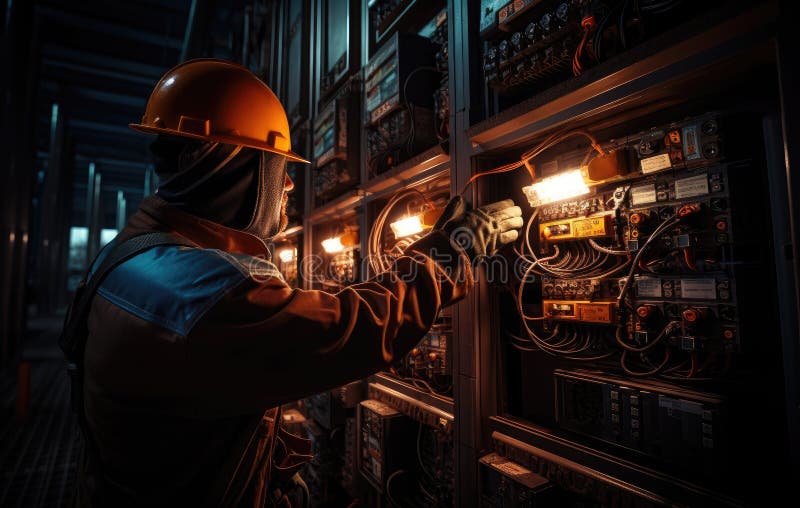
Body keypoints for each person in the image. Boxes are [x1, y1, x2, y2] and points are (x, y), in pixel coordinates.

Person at [68, 59, 523, 507]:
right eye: (274, 167)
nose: (288, 185)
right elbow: (349, 328)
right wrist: (451, 251)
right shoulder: (201, 294)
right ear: (227, 167)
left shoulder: (125, 257)